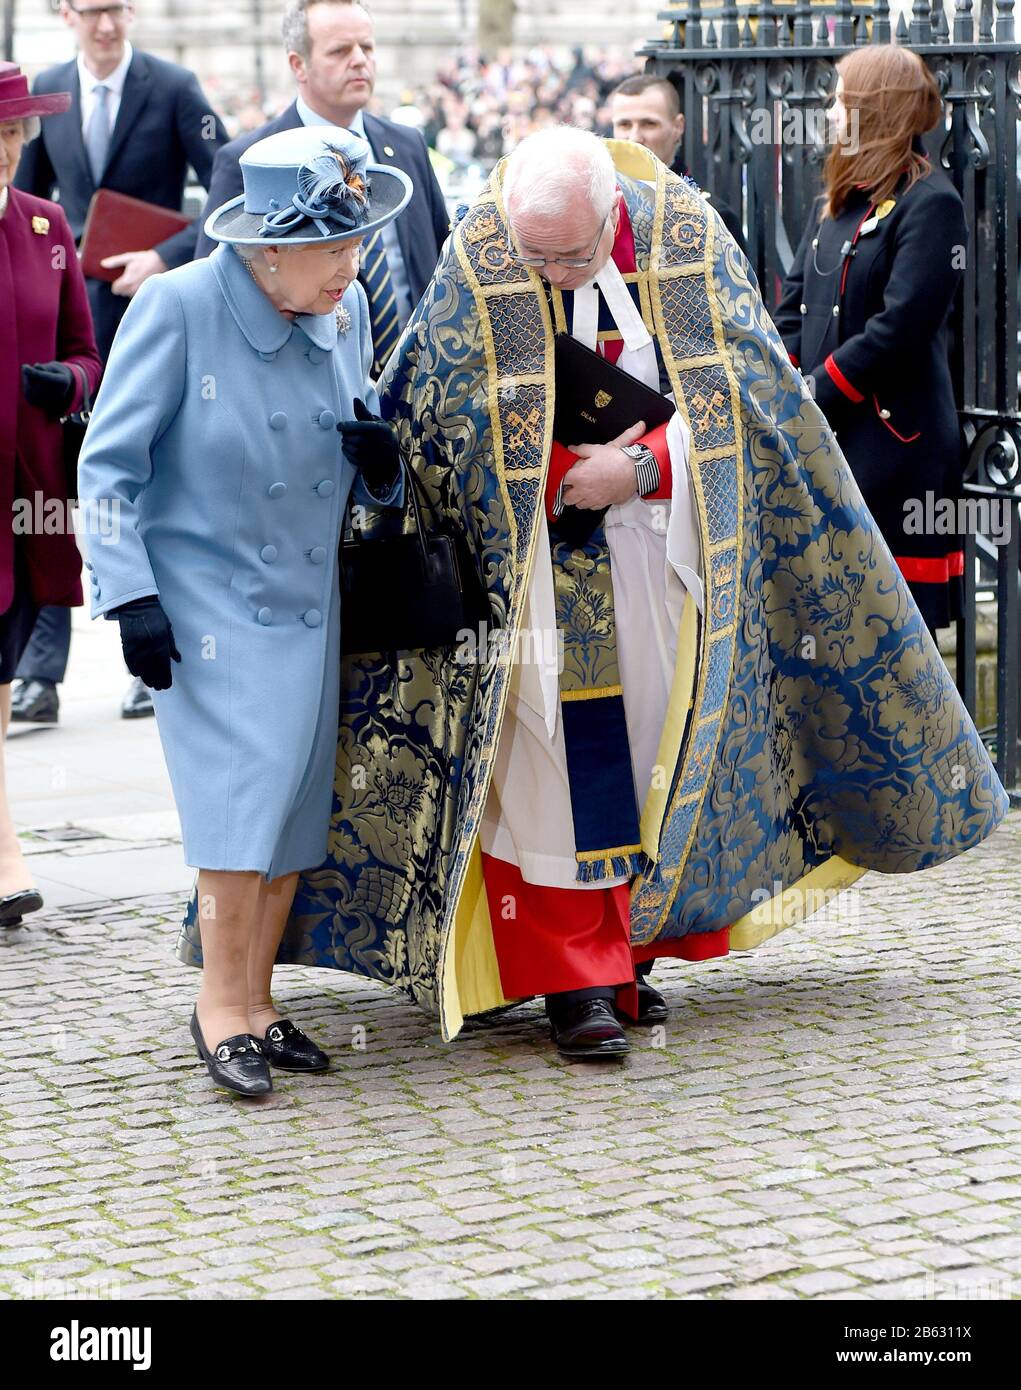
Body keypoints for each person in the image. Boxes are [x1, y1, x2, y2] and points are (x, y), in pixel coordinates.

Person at [177, 125, 1007, 1061]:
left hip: (661, 555)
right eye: (539, 257)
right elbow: (444, 414)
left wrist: (643, 469)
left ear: (611, 211)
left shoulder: (684, 238)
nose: (557, 273)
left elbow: (746, 397)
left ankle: (627, 955)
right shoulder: (482, 254)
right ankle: (572, 981)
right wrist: (546, 475)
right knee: (551, 771)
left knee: (658, 746)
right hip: (533, 569)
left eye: (572, 255)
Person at [77, 127, 410, 1095]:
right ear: (269, 249)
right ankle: (218, 1006)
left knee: (294, 811)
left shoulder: (336, 316)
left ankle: (259, 1001)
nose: (354, 267)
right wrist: (130, 595)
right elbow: (107, 467)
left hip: (308, 601)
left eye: (357, 246)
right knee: (238, 814)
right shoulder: (179, 308)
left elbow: (356, 431)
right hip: (204, 607)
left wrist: (378, 469)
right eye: (335, 250)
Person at [11, 0, 228, 725]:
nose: (105, 25)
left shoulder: (172, 86)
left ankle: (148, 658)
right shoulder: (43, 89)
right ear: (63, 13)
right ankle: (38, 673)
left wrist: (164, 257)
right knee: (46, 496)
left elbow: (224, 190)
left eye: (116, 8)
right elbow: (27, 200)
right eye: (90, 10)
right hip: (63, 329)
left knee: (143, 493)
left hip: (153, 324)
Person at [774, 46, 967, 635]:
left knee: (898, 651)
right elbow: (793, 305)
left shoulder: (931, 204)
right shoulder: (835, 203)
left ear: (873, 109)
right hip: (826, 441)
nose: (830, 113)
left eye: (840, 100)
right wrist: (781, 383)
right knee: (833, 641)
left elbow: (900, 329)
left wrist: (812, 395)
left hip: (894, 453)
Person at [195, 0, 450, 378]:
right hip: (307, 382)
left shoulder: (407, 145)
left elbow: (442, 256)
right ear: (298, 65)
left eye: (367, 47)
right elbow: (215, 287)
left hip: (419, 385)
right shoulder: (251, 161)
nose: (360, 60)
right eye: (340, 51)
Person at [0, 64, 102, 928]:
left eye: (15, 132)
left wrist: (61, 384)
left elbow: (88, 354)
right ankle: (5, 858)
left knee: (4, 665)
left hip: (28, 497)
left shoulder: (46, 224)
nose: (5, 148)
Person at [610, 73, 748, 256]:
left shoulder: (711, 216)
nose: (635, 137)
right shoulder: (594, 207)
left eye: (649, 124)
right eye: (624, 125)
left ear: (678, 126)